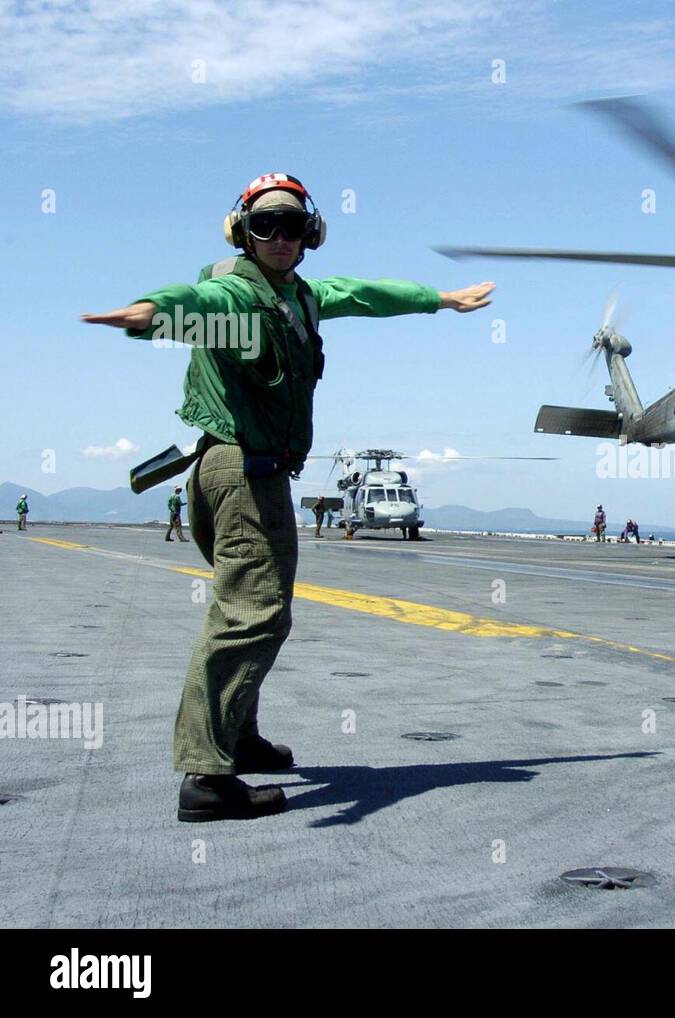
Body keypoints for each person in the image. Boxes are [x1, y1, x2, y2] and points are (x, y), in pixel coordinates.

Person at [82, 172, 494, 822]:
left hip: (248, 472)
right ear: (242, 232)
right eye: (266, 224)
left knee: (248, 608)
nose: (280, 236)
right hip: (244, 472)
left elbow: (361, 294)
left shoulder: (298, 296)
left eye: (293, 225)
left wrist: (438, 299)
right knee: (253, 615)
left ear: (312, 234)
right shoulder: (237, 295)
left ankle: (239, 738)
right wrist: (151, 312)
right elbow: (197, 301)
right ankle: (206, 775)